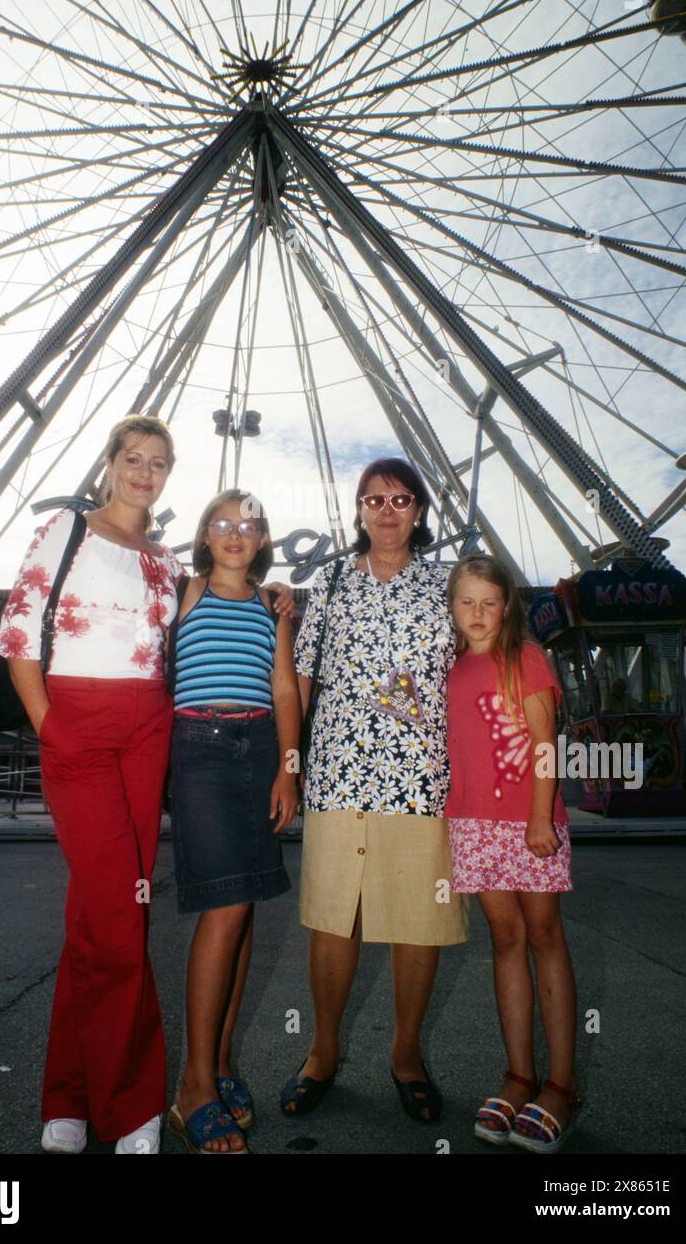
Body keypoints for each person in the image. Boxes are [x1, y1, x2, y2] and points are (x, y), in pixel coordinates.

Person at [0, 418, 294, 1155]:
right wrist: (48, 724)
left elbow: (208, 637)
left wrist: (277, 601)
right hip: (79, 724)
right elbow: (19, 630)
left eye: (159, 462)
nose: (145, 472)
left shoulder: (164, 565)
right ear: (110, 463)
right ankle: (134, 1107)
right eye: (134, 459)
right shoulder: (67, 529)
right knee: (121, 920)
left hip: (148, 733)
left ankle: (66, 1098)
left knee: (94, 920)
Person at [281, 458, 468, 1125]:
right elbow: (302, 676)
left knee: (416, 922)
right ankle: (323, 1053)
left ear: (419, 511)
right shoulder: (329, 581)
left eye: (401, 499)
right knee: (336, 917)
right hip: (338, 769)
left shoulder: (448, 585)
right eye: (374, 499)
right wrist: (290, 762)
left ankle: (407, 1056)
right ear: (358, 510)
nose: (387, 510)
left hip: (420, 773)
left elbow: (475, 670)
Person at [166, 490, 300, 1155]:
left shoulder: (273, 608)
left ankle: (220, 1062)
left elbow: (283, 688)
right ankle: (193, 1085)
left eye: (249, 525)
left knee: (244, 906)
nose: (236, 533)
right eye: (222, 522)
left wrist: (290, 768)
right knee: (224, 907)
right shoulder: (185, 591)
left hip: (258, 750)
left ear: (263, 538)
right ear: (203, 534)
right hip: (200, 749)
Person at [444, 553, 580, 1154]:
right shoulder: (449, 668)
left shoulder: (523, 658)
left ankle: (560, 1085)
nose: (477, 614)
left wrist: (538, 818)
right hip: (472, 823)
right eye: (466, 601)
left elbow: (545, 744)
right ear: (452, 607)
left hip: (529, 825)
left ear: (507, 605)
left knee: (545, 936)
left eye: (489, 602)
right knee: (504, 941)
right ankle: (518, 1075)